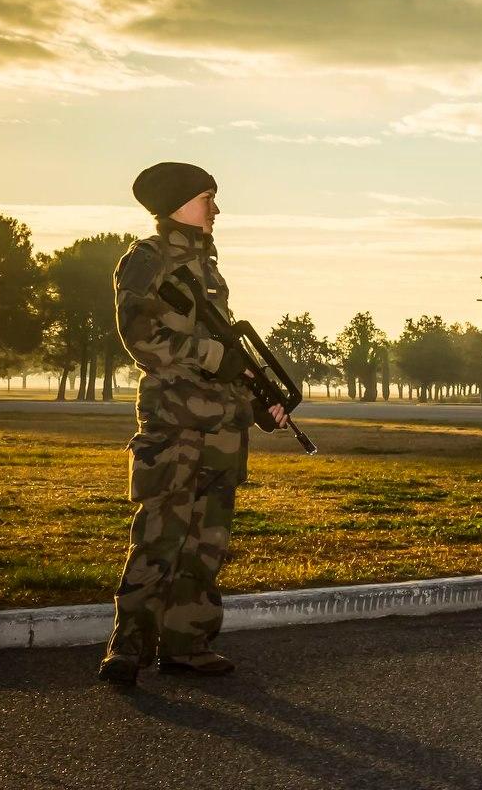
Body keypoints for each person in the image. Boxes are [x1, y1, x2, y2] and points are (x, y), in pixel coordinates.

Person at [96, 162, 286, 688]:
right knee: (160, 536)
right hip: (174, 424)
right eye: (208, 198)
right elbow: (141, 338)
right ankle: (127, 648)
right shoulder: (147, 259)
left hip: (221, 427)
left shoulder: (208, 267)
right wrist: (212, 356)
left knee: (207, 541)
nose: (216, 209)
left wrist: (257, 401)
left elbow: (227, 354)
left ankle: (188, 645)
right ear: (179, 203)